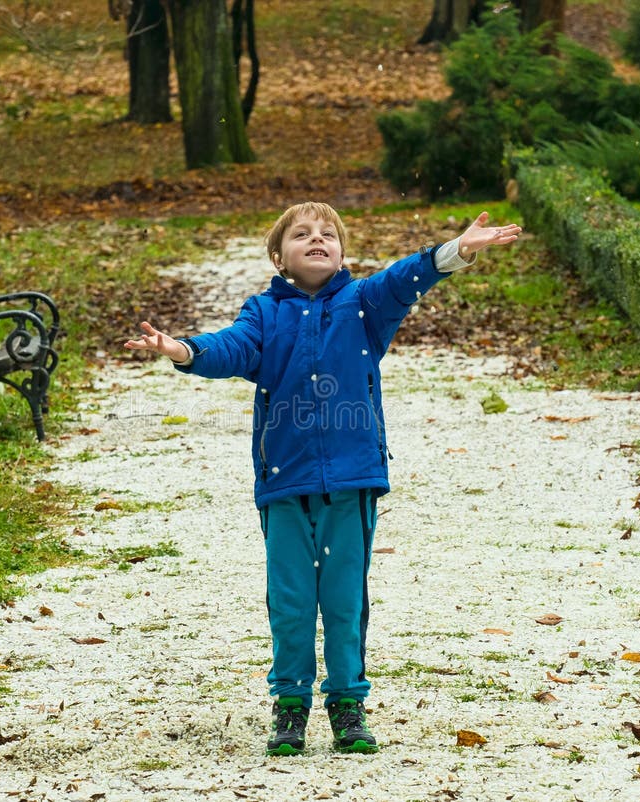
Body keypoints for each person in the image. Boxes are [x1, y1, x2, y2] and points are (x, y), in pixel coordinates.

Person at [124, 202, 521, 756]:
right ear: (278, 255)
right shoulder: (263, 313)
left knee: (342, 599)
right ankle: (289, 705)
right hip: (285, 484)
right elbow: (229, 348)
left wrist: (456, 251)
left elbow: (406, 278)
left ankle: (347, 703)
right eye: (303, 234)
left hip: (352, 481)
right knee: (289, 601)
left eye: (328, 234)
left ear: (341, 251)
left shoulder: (365, 305)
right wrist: (183, 349)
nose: (318, 240)